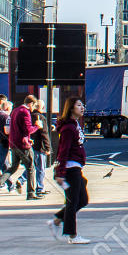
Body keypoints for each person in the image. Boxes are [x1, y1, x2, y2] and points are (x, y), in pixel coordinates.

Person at [50, 97, 90, 244]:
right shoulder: (68, 128)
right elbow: (63, 150)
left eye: (82, 105)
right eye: (78, 105)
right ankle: (72, 235)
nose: (82, 107)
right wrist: (60, 173)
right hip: (70, 168)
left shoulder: (75, 124)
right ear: (71, 108)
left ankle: (57, 220)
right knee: (73, 201)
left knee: (82, 200)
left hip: (76, 167)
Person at [6, 95, 38, 199]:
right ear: (31, 104)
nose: (34, 108)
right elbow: (28, 129)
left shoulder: (15, 110)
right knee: (31, 168)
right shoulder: (25, 112)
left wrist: (27, 138)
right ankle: (31, 193)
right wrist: (37, 126)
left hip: (14, 143)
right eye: (34, 106)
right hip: (23, 145)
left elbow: (17, 128)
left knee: (13, 167)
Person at [30, 107, 50, 197]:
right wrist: (48, 147)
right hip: (40, 146)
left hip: (32, 145)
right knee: (41, 168)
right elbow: (44, 133)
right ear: (42, 108)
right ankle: (40, 188)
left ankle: (21, 179)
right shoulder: (41, 118)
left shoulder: (29, 116)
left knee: (33, 165)